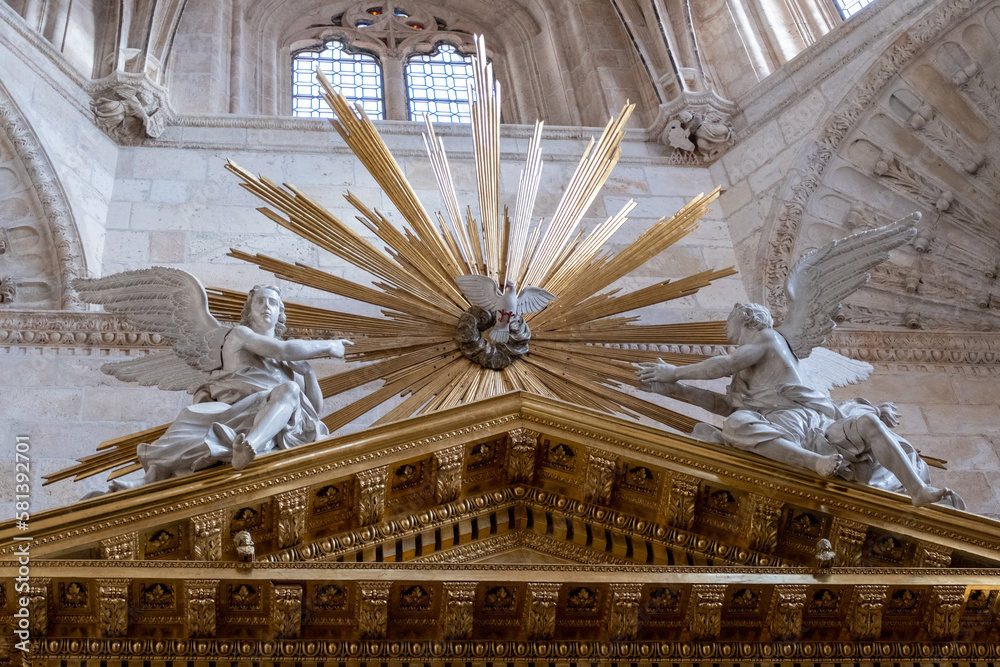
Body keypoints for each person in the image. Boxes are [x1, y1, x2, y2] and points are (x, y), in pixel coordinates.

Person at [636, 303, 961, 508]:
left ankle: (918, 490)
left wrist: (674, 371)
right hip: (780, 433)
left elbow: (720, 366)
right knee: (736, 424)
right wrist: (670, 389)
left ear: (746, 320)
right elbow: (724, 407)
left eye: (728, 322)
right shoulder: (748, 375)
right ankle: (815, 463)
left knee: (867, 425)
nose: (724, 329)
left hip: (811, 424)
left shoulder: (767, 339)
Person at [116, 284, 351, 488]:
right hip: (240, 407)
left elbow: (314, 409)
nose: (266, 306)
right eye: (260, 301)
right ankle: (152, 478)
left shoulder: (291, 360)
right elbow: (281, 350)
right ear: (248, 311)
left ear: (280, 312)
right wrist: (329, 346)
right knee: (193, 418)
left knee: (291, 391)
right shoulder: (241, 335)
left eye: (272, 302)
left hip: (274, 412)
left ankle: (248, 448)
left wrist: (308, 372)